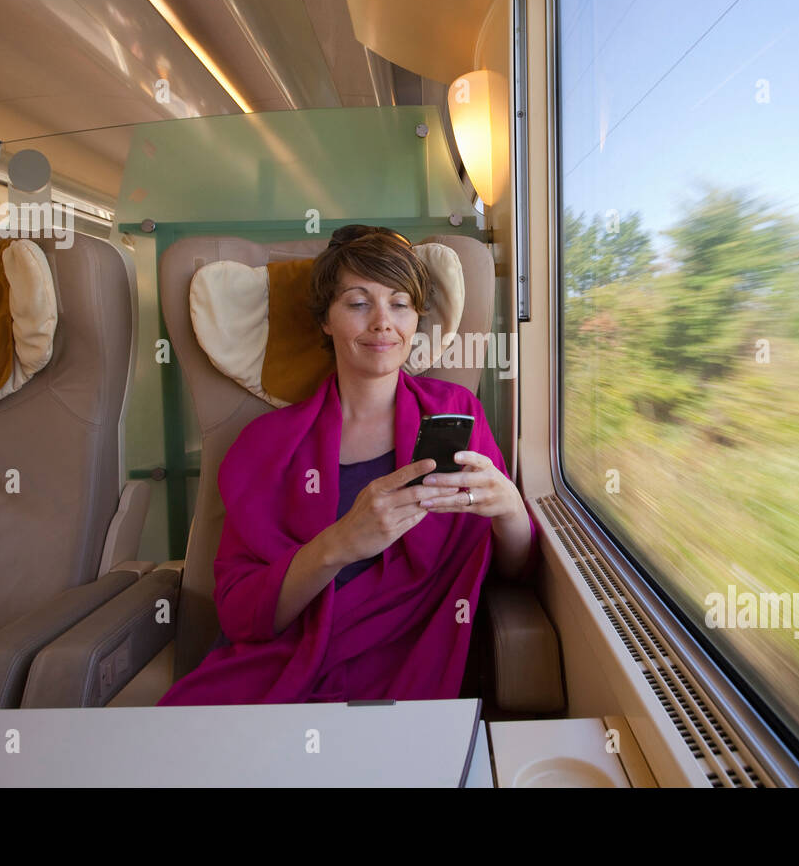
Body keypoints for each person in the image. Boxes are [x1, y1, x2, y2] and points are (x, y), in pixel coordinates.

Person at [157, 227, 538, 705]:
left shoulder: (454, 414)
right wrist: (339, 543)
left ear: (417, 318)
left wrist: (509, 512)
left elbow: (513, 569)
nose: (383, 322)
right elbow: (242, 614)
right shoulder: (263, 446)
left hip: (404, 676)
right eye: (358, 304)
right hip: (273, 673)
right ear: (326, 320)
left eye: (400, 304)